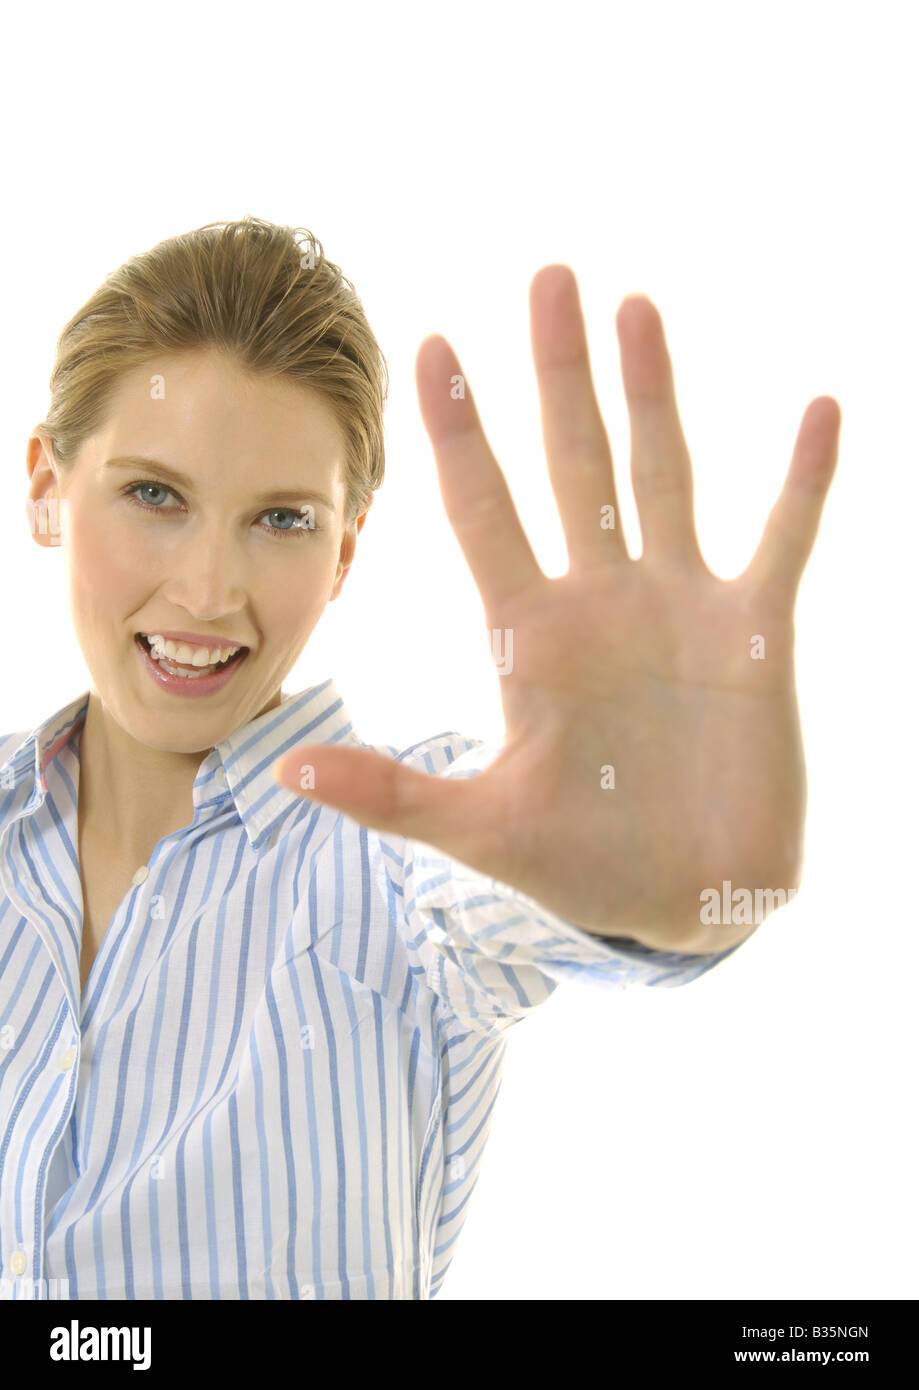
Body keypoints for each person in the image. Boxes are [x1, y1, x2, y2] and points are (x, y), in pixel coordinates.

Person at [0, 216, 841, 1301]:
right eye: (154, 495)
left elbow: (514, 886)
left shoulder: (410, 858)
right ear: (46, 487)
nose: (208, 591)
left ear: (344, 551)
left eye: (282, 519)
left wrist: (651, 863)